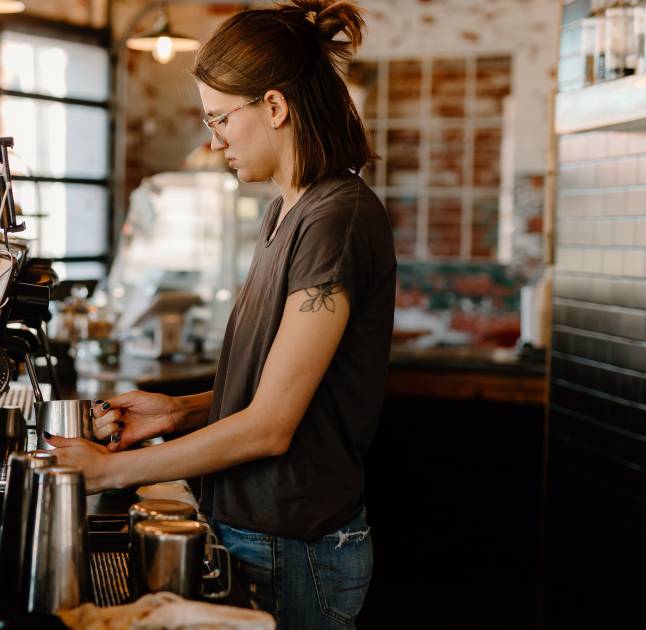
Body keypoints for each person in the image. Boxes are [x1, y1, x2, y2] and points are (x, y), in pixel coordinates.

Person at [46, 1, 396, 626]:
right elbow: (278, 388)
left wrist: (111, 471)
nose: (214, 141)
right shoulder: (285, 211)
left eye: (220, 118)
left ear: (274, 106)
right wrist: (175, 411)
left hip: (295, 546)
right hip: (260, 533)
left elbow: (271, 426)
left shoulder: (336, 218)